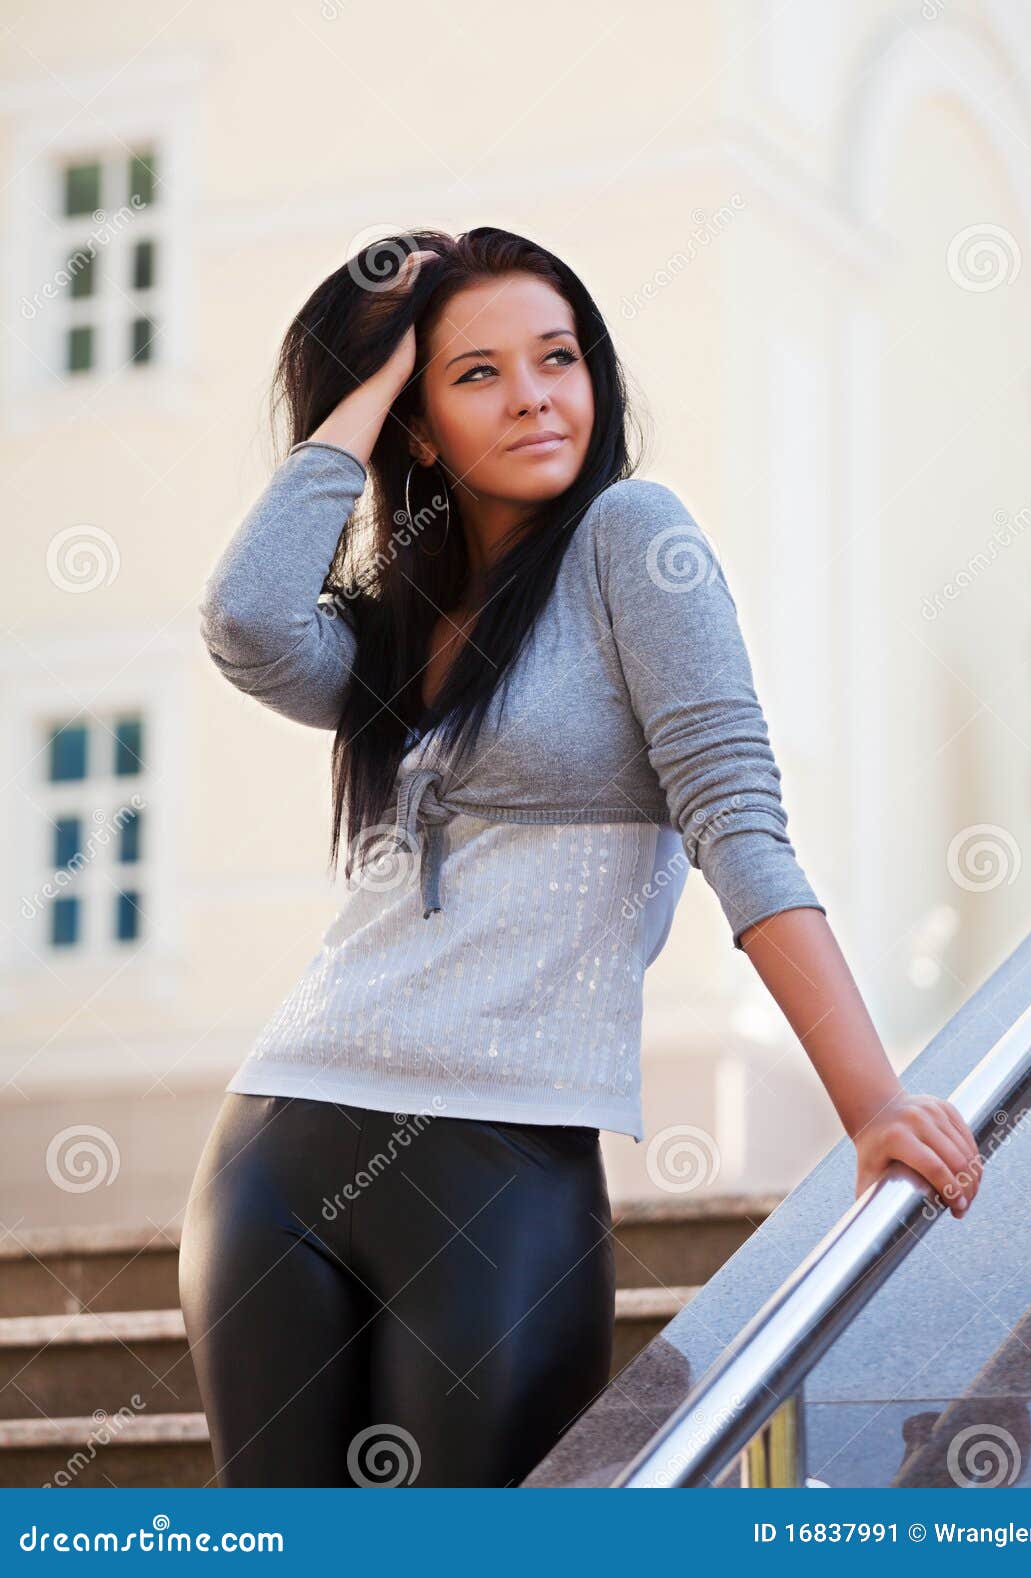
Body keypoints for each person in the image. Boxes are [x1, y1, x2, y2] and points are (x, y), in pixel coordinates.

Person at [177, 227, 982, 1489]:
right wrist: (370, 387)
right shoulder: (400, 615)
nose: (537, 395)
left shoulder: (631, 540)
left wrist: (868, 1100)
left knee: (483, 1543)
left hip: (507, 1154)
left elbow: (736, 820)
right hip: (283, 1141)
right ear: (422, 425)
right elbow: (245, 619)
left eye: (557, 357)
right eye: (477, 372)